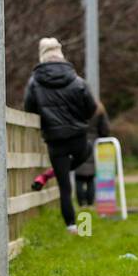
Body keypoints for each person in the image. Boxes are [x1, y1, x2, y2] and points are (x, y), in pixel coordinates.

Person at [24, 37, 98, 233]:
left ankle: (72, 225)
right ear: (61, 54)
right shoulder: (77, 80)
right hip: (78, 136)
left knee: (65, 186)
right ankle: (48, 175)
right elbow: (92, 107)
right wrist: (79, 118)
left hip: (54, 139)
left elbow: (29, 108)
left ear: (42, 56)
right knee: (87, 151)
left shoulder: (34, 82)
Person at [74, 103, 111, 207]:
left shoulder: (76, 107)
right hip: (94, 145)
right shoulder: (99, 109)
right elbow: (105, 130)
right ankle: (90, 204)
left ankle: (81, 205)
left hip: (78, 144)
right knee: (90, 177)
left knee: (79, 177)